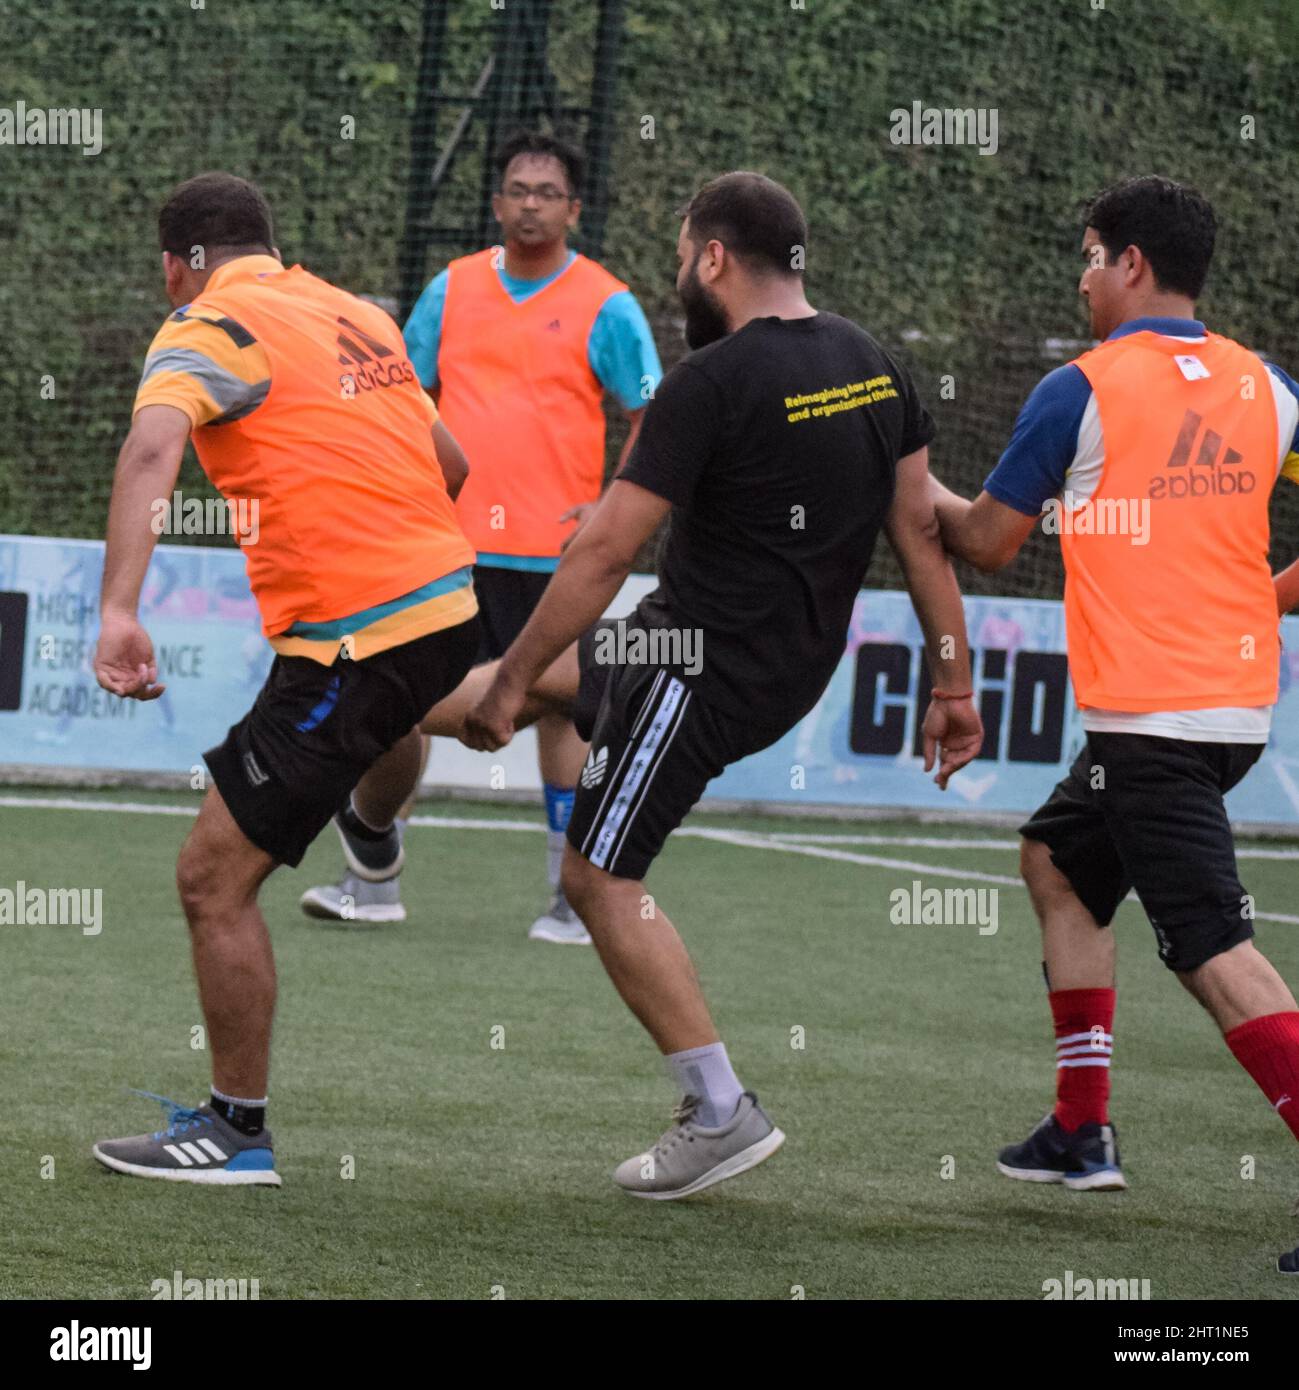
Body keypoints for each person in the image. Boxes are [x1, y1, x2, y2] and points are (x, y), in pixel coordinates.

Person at [413, 171, 983, 1199]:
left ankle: (721, 1109)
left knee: (597, 880)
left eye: (683, 253)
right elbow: (923, 537)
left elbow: (597, 554)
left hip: (697, 668)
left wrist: (512, 678)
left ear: (714, 257)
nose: (679, 271)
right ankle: (375, 814)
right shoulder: (872, 364)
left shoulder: (710, 381)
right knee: (468, 689)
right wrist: (955, 686)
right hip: (742, 658)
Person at [930, 174, 1299, 1273]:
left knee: (1215, 951)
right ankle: (1081, 1129)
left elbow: (989, 540)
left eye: (1091, 257)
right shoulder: (1271, 388)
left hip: (1158, 723)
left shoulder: (1079, 389)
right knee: (1058, 860)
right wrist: (1268, 598)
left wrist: (913, 495)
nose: (1084, 278)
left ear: (1131, 263)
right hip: (1228, 710)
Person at [89, 172, 480, 1184]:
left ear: (177, 265)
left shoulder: (206, 323)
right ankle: (571, 698)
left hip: (355, 637)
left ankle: (234, 1131)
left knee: (211, 878)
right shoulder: (355, 314)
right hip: (444, 604)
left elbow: (150, 452)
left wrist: (118, 610)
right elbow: (452, 463)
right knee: (428, 707)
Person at [301, 130, 663, 942]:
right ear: (497, 203)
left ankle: (572, 900)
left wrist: (609, 508)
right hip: (443, 548)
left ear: (573, 209)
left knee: (563, 716)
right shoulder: (452, 288)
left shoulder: (606, 301)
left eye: (547, 191)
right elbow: (405, 394)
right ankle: (374, 869)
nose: (529, 203)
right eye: (516, 189)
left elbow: (653, 414)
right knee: (389, 697)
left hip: (557, 558)